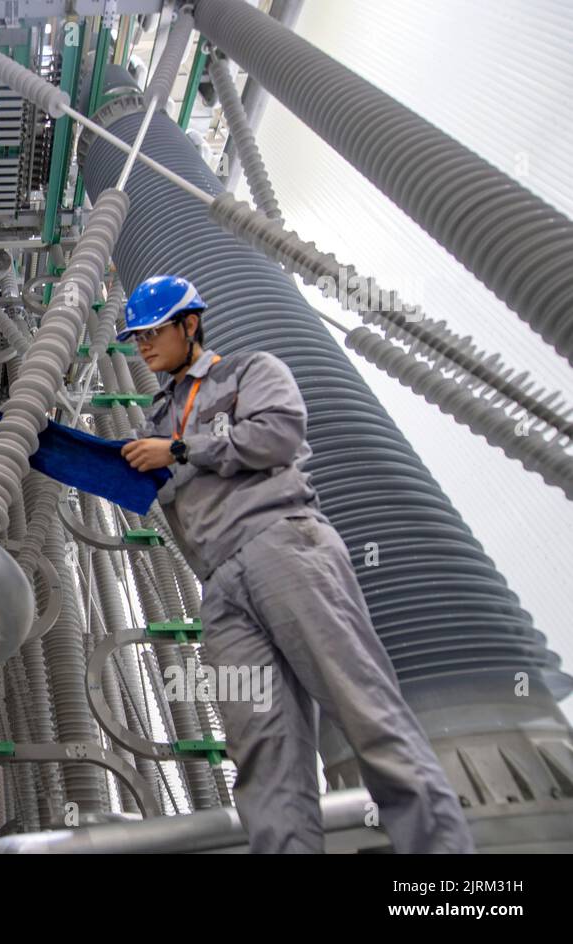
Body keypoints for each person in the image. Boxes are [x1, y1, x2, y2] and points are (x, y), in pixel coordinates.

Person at [118, 274, 473, 854]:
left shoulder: (248, 371)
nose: (144, 347)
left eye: (154, 332)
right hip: (220, 588)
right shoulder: (157, 419)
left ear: (190, 325)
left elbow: (278, 434)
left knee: (364, 713)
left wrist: (181, 450)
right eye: (136, 338)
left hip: (281, 547)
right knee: (263, 753)